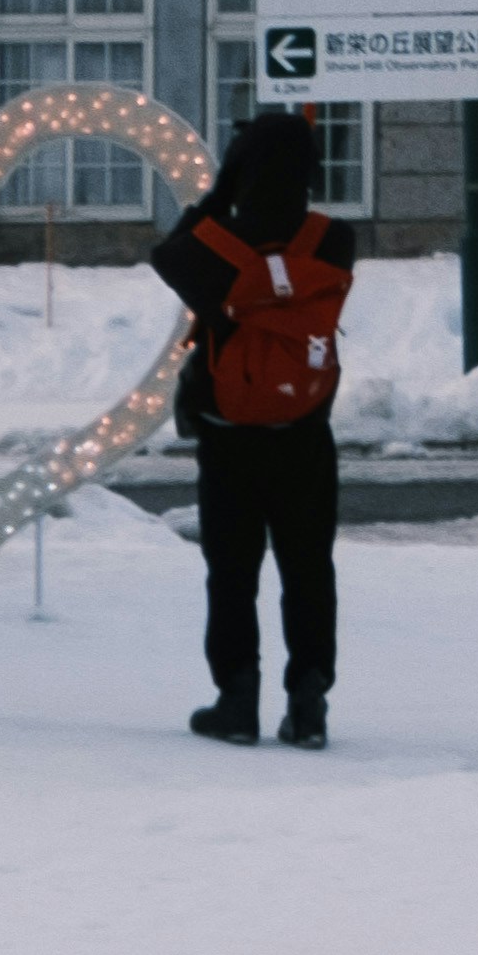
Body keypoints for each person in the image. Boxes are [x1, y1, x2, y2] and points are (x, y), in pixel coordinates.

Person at [149, 109, 351, 749]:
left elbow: (167, 253)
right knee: (309, 567)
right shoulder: (332, 242)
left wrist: (220, 191)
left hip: (228, 431)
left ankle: (237, 700)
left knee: (232, 570)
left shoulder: (213, 247)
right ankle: (309, 699)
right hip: (305, 432)